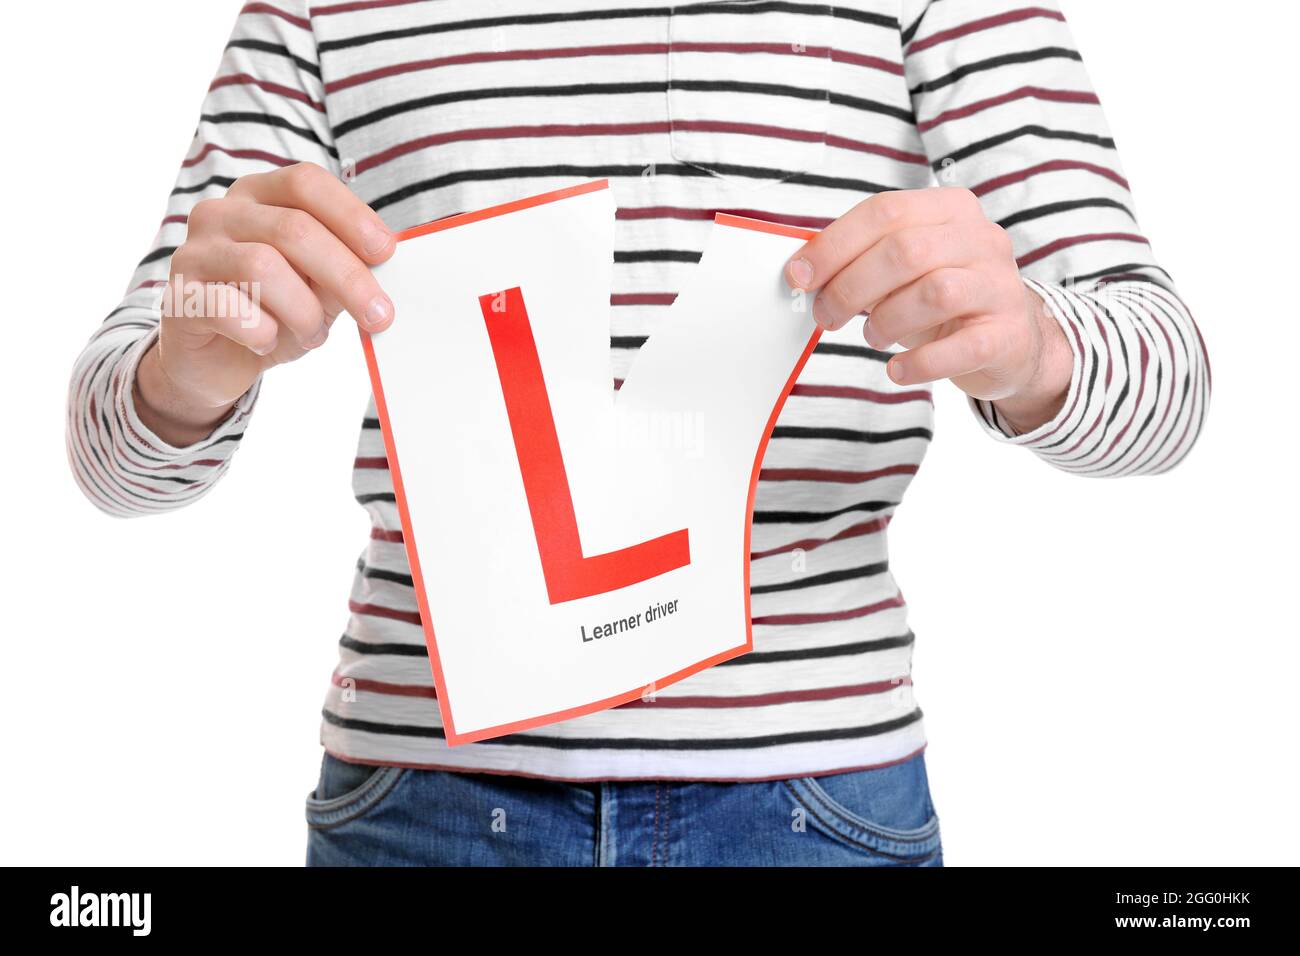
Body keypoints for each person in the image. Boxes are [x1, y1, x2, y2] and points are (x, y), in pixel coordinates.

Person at [67, 0, 1210, 867]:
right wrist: (191, 359)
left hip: (811, 801)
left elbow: (1167, 385)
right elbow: (113, 452)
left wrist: (1036, 353)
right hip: (423, 798)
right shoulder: (314, 14)